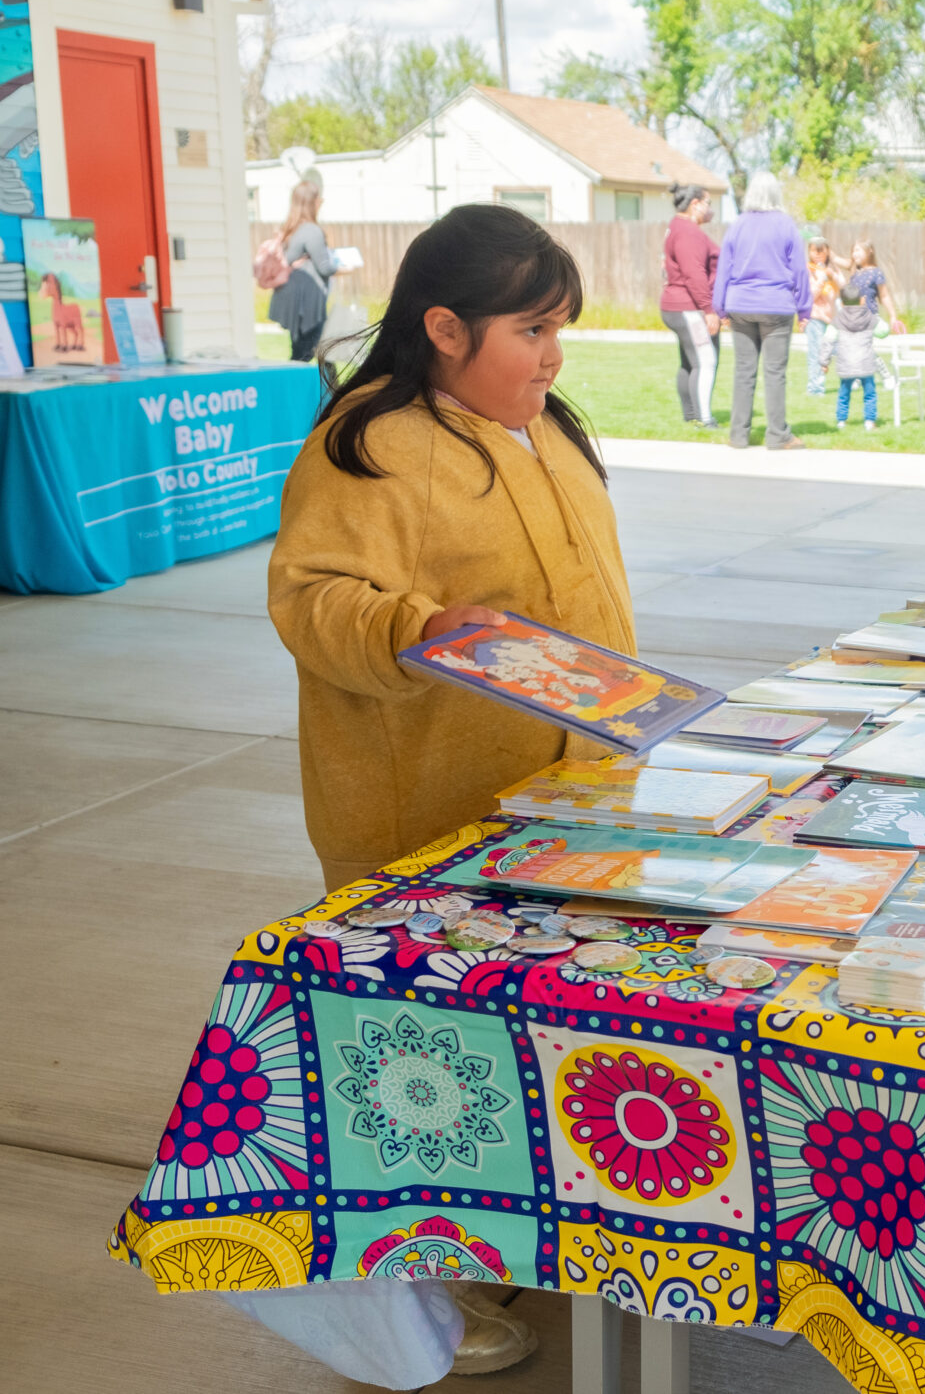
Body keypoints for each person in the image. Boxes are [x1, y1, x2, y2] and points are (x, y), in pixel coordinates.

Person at [266, 204, 635, 1380]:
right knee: (426, 1067)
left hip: (563, 801)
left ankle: (512, 1235)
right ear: (443, 327)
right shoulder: (371, 442)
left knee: (531, 1047)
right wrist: (413, 627)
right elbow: (312, 598)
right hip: (426, 816)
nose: (554, 357)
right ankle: (416, 1294)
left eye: (560, 330)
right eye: (532, 330)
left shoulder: (543, 427)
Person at [713, 171, 810, 451]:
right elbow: (800, 271)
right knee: (774, 372)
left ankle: (738, 435)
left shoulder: (738, 225)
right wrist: (804, 308)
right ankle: (778, 435)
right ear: (776, 193)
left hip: (740, 305)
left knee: (744, 372)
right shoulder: (786, 226)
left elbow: (724, 269)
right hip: (776, 306)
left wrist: (719, 307)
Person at [660, 182, 720, 428]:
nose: (711, 209)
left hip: (678, 305)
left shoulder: (677, 226)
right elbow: (694, 273)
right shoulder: (688, 232)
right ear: (695, 204)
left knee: (689, 362)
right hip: (688, 307)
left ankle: (691, 415)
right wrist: (708, 309)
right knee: (705, 361)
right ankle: (704, 419)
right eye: (708, 203)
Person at [267, 180, 338, 362]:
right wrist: (345, 267)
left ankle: (322, 381)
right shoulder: (311, 230)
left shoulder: (291, 228)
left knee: (304, 351)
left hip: (294, 298)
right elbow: (325, 267)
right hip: (307, 303)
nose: (321, 203)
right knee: (306, 353)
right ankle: (293, 381)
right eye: (319, 199)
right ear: (312, 202)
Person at [831, 282, 881, 431]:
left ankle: (841, 421)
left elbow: (828, 340)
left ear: (841, 303)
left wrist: (823, 362)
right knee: (870, 394)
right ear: (862, 300)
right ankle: (869, 422)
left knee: (844, 393)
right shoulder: (869, 317)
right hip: (865, 363)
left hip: (846, 364)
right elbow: (883, 331)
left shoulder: (838, 319)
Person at [804, 236, 846, 396]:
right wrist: (820, 280)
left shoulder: (832, 269)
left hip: (833, 318)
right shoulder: (808, 270)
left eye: (821, 250)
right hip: (815, 317)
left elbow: (844, 289)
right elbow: (810, 297)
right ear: (809, 252)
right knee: (816, 353)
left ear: (828, 251)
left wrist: (832, 275)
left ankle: (852, 378)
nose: (818, 254)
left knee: (841, 349)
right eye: (814, 250)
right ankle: (815, 387)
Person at [845, 240, 906, 334]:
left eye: (857, 250)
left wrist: (892, 316)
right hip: (854, 319)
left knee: (879, 333)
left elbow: (884, 296)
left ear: (869, 251)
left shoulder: (876, 273)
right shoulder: (855, 274)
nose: (854, 254)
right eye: (853, 251)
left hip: (870, 317)